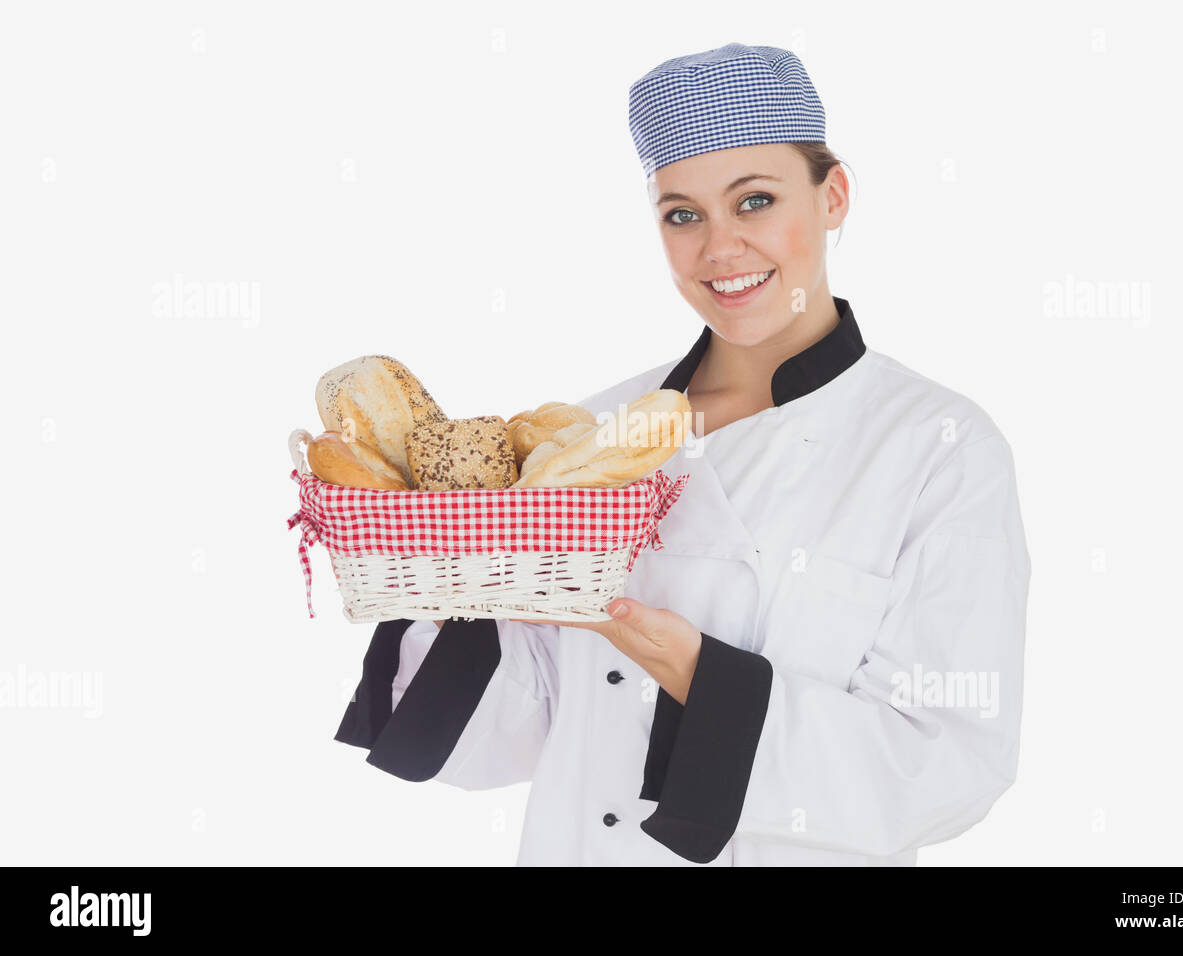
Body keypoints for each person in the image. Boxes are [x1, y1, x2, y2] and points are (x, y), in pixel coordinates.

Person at [335, 41, 1031, 866]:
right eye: (682, 214)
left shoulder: (936, 448)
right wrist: (443, 581)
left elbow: (951, 765)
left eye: (756, 200)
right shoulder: (589, 437)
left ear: (834, 195)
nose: (719, 250)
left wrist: (705, 681)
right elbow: (524, 725)